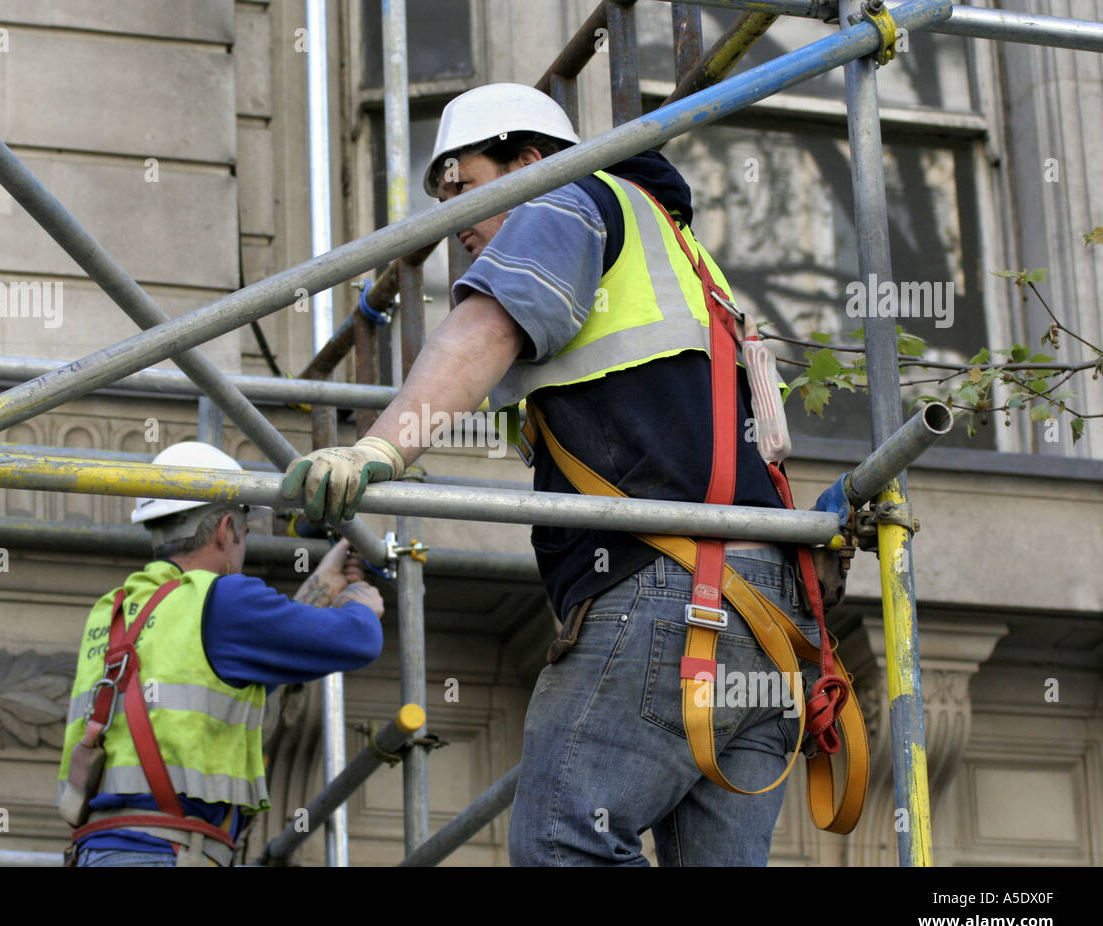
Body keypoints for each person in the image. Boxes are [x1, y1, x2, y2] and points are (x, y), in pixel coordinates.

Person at [280, 83, 831, 866]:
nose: (456, 226)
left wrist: (379, 451)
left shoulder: (565, 199)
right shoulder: (678, 249)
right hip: (767, 621)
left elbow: (485, 328)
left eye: (465, 189)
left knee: (560, 840)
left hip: (670, 593)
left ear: (528, 161)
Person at [58, 441, 385, 866]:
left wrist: (323, 585)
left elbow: (239, 673)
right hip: (166, 853)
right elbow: (359, 640)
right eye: (244, 535)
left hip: (98, 852)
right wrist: (360, 604)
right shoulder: (224, 600)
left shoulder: (114, 608)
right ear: (226, 529)